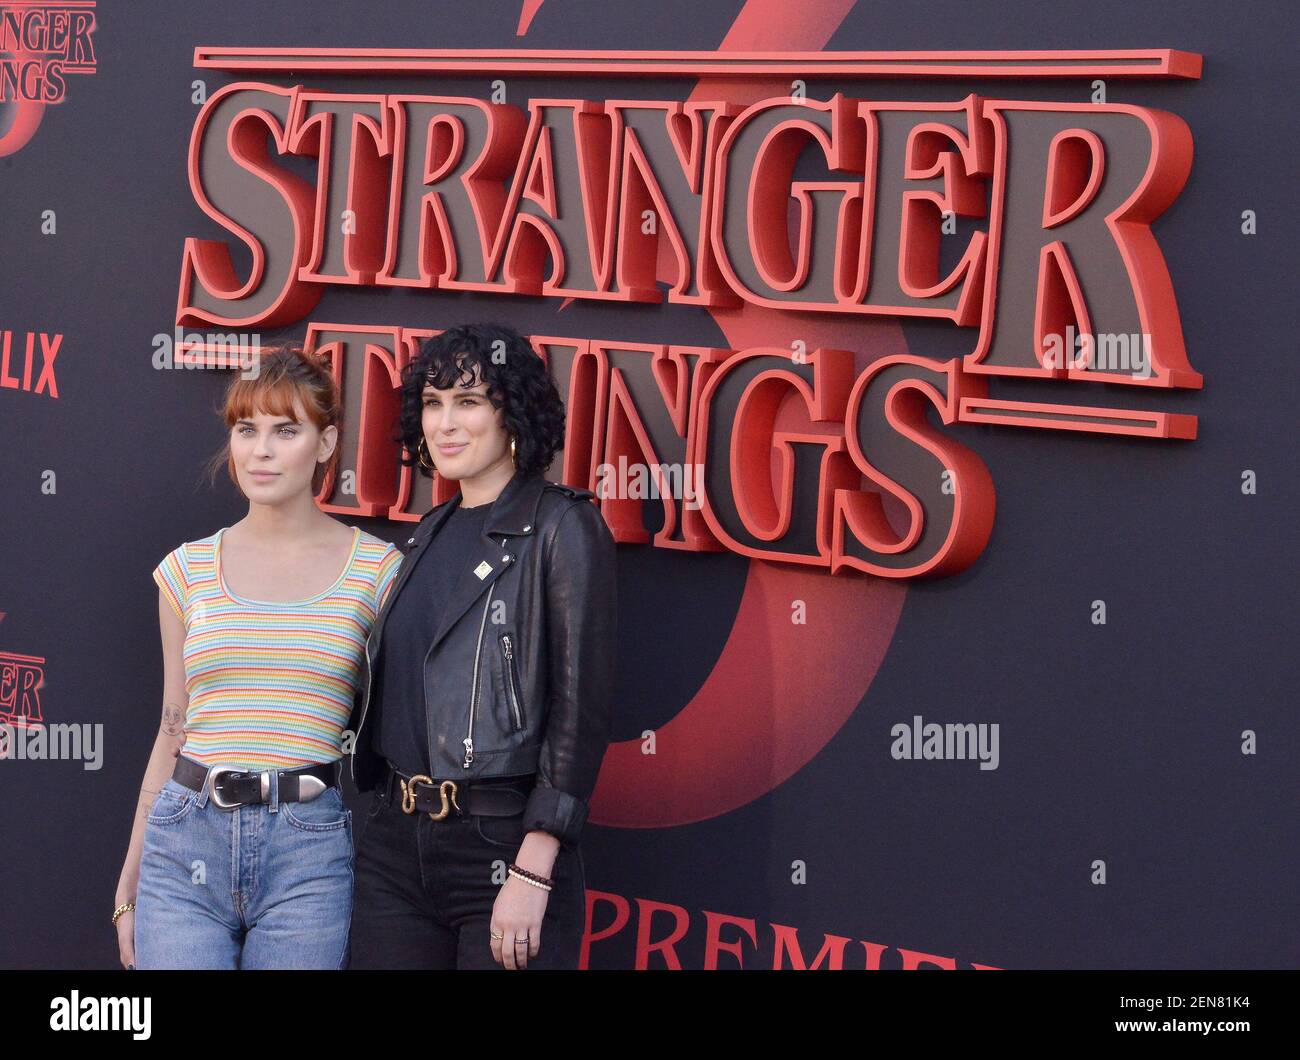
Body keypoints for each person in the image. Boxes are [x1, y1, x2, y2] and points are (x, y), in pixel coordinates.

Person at [113, 343, 402, 969]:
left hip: (309, 848)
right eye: (248, 429)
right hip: (184, 836)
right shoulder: (186, 571)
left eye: (286, 430)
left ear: (325, 445)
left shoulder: (379, 573)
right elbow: (172, 727)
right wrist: (129, 882)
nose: (262, 450)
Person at [348, 322, 617, 969]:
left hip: (500, 846)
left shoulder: (562, 527)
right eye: (433, 404)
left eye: (468, 402)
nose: (445, 423)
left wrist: (535, 862)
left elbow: (580, 714)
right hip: (392, 844)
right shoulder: (431, 530)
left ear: (513, 413)